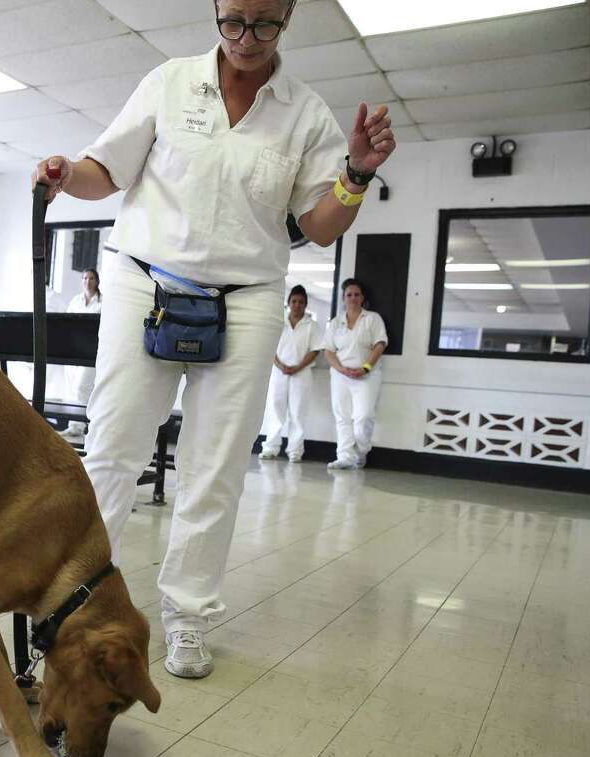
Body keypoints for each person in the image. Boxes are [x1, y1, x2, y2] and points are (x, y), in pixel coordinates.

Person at [32, 0, 395, 678]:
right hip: (146, 281)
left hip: (248, 295)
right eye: (232, 21)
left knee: (217, 461)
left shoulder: (304, 112)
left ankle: (189, 616)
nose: (246, 39)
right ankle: (71, 600)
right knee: (113, 447)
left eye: (264, 24)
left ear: (287, 17)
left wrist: (357, 174)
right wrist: (63, 178)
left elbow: (318, 226)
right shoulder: (169, 83)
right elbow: (105, 171)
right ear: (215, 11)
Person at [324, 278, 387, 470]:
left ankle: (361, 451)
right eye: (349, 294)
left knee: (363, 417)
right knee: (342, 416)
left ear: (362, 298)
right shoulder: (336, 323)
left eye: (356, 294)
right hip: (340, 375)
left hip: (366, 375)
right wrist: (341, 369)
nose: (352, 298)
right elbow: (328, 351)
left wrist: (365, 367)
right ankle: (344, 456)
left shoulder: (372, 319)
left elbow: (380, 344)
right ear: (343, 298)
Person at [259, 284, 321, 462]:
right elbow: (269, 347)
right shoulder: (279, 322)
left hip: (301, 374)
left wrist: (297, 367)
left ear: (306, 304)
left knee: (298, 413)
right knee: (275, 411)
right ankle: (270, 448)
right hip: (279, 372)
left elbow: (315, 350)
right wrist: (280, 365)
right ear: (288, 303)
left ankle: (295, 452)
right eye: (294, 301)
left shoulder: (312, 325)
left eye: (301, 302)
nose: (297, 305)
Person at [60, 268, 102, 440]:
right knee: (71, 388)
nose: (87, 281)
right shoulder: (75, 300)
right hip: (74, 349)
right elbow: (67, 322)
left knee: (82, 387)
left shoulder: (102, 302)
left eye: (91, 278)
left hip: (91, 351)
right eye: (85, 278)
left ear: (97, 281)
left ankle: (84, 424)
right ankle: (74, 426)